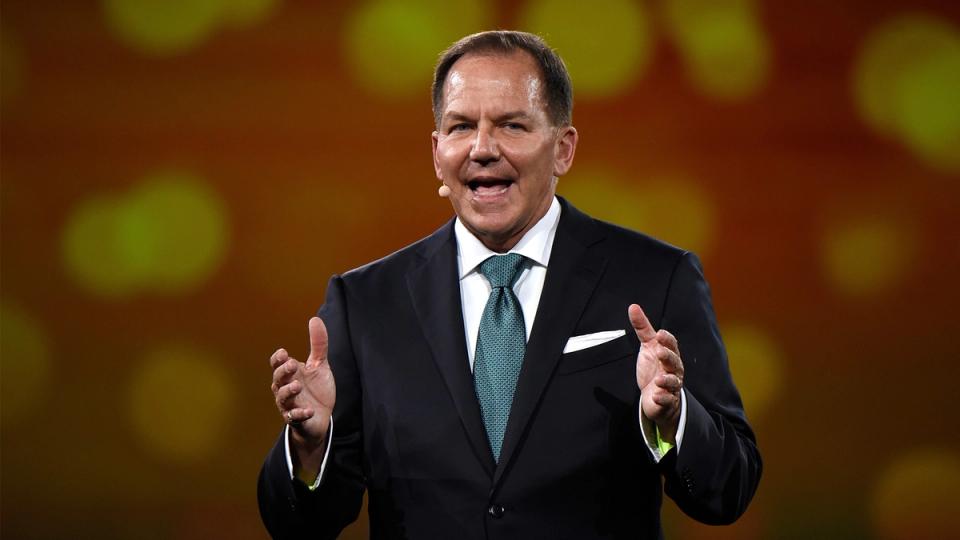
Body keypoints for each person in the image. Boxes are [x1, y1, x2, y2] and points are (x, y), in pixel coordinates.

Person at [258, 30, 761, 539]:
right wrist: (310, 446)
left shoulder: (657, 278)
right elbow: (300, 527)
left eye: (511, 125)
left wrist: (674, 420)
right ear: (437, 152)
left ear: (563, 149)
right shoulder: (365, 303)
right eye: (460, 127)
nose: (482, 149)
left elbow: (730, 488)